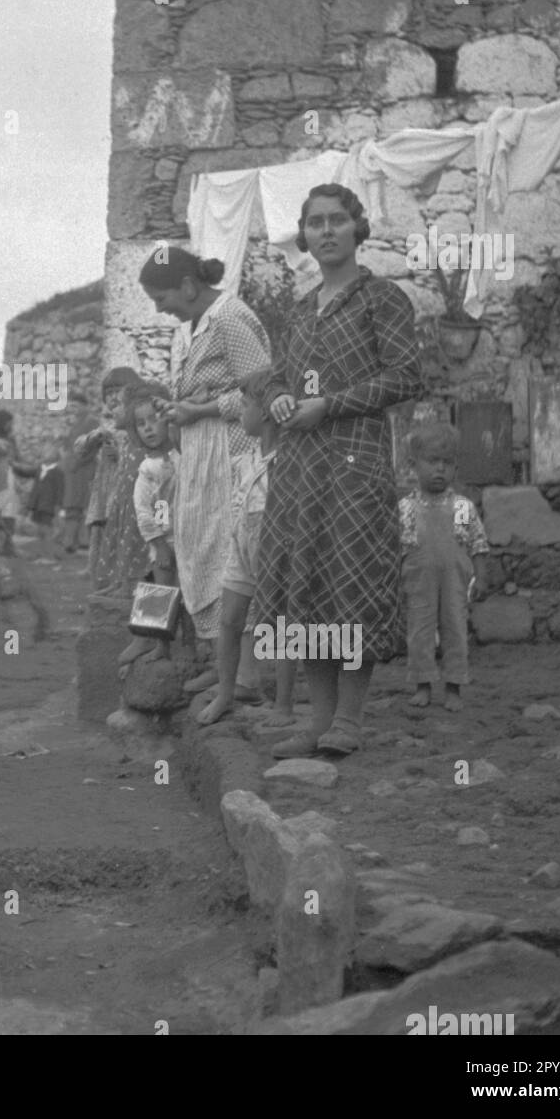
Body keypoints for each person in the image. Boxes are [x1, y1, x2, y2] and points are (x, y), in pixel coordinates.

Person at [257, 183, 425, 758]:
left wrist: (330, 404)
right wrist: (281, 399)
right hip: (301, 471)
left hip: (356, 467)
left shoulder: (383, 300)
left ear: (357, 229)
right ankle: (319, 720)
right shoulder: (301, 312)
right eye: (314, 223)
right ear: (303, 236)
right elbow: (278, 376)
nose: (325, 231)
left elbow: (406, 376)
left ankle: (350, 720)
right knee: (307, 585)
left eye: (336, 220)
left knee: (351, 583)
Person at [139, 248, 272, 664]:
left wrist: (200, 410)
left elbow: (262, 390)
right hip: (205, 455)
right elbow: (221, 384)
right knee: (208, 554)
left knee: (232, 558)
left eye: (161, 298)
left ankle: (244, 676)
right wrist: (185, 406)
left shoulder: (229, 318)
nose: (160, 309)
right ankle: (222, 669)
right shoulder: (201, 324)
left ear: (187, 286)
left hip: (233, 455)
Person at [196, 369, 291, 726]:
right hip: (242, 547)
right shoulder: (248, 456)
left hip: (274, 546)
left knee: (280, 625)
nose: (241, 412)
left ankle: (282, 704)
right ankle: (225, 693)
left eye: (246, 405)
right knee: (230, 620)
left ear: (265, 413)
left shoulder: (286, 459)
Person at [400, 421, 489, 712]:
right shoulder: (406, 509)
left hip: (455, 582)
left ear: (455, 468)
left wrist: (481, 575)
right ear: (414, 465)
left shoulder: (462, 507)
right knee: (420, 632)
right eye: (432, 461)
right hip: (419, 582)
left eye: (447, 463)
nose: (440, 469)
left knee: (455, 631)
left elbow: (476, 543)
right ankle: (423, 685)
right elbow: (397, 550)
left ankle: (454, 686)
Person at [78, 367, 144, 584]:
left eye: (118, 391)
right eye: (109, 392)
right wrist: (96, 437)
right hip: (105, 497)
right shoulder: (107, 426)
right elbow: (79, 450)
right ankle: (100, 584)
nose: (113, 397)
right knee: (100, 538)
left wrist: (119, 455)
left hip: (127, 500)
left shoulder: (138, 429)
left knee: (123, 542)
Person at [132, 390, 179, 662]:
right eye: (141, 423)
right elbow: (144, 511)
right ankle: (159, 646)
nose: (148, 427)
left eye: (153, 419)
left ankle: (193, 647)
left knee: (187, 595)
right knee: (161, 589)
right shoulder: (148, 468)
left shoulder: (181, 455)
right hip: (164, 539)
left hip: (187, 536)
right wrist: (159, 544)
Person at [57, 390, 99, 553]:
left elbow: (93, 446)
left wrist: (77, 462)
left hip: (85, 470)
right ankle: (69, 541)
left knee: (86, 505)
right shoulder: (75, 423)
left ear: (85, 406)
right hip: (72, 471)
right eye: (71, 406)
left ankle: (85, 541)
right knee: (71, 505)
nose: (72, 409)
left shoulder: (91, 422)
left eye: (75, 406)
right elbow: (68, 445)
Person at [27, 443, 66, 545]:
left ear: (54, 456)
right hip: (38, 503)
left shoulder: (57, 471)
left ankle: (47, 551)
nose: (44, 455)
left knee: (47, 527)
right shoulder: (40, 468)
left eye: (48, 452)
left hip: (49, 504)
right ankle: (39, 549)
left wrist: (58, 505)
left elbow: (60, 489)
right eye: (44, 452)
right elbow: (35, 486)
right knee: (38, 527)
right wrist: (31, 502)